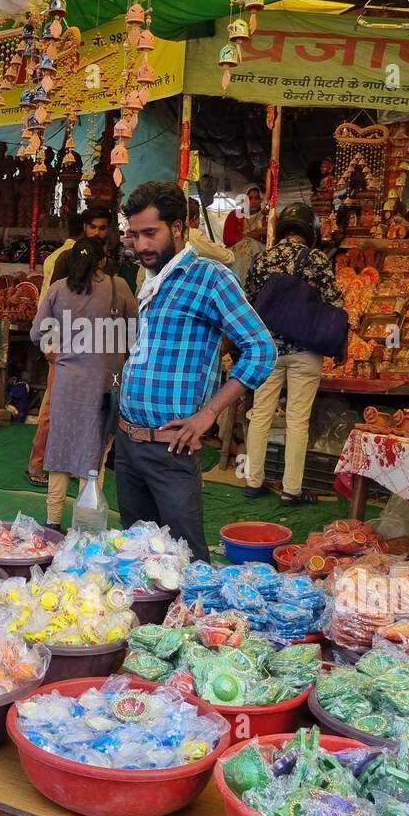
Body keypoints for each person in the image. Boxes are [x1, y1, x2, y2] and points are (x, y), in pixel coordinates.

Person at [116, 181, 276, 560]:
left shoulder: (210, 278)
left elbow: (261, 350)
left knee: (185, 562)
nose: (141, 246)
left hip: (172, 448)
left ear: (178, 227)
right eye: (134, 235)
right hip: (128, 441)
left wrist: (208, 415)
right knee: (138, 559)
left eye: (150, 233)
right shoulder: (151, 278)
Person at [241, 202, 343, 506]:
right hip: (306, 350)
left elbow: (248, 301)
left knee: (261, 414)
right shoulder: (317, 260)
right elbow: (335, 303)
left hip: (267, 350)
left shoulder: (262, 259)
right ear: (310, 231)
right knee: (298, 420)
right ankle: (291, 490)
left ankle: (253, 481)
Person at [30, 237, 136, 530]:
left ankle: (52, 523)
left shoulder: (57, 289)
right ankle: (86, 527)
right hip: (103, 384)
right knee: (94, 453)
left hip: (66, 383)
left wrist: (56, 353)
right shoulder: (119, 287)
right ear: (102, 260)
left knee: (60, 449)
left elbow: (38, 334)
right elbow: (136, 333)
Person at [27, 206, 113, 485]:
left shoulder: (106, 264)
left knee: (88, 411)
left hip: (93, 354)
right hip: (65, 351)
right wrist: (51, 349)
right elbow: (52, 305)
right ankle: (39, 464)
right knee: (53, 411)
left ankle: (76, 465)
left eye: (103, 228)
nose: (98, 232)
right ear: (84, 228)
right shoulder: (69, 259)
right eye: (93, 227)